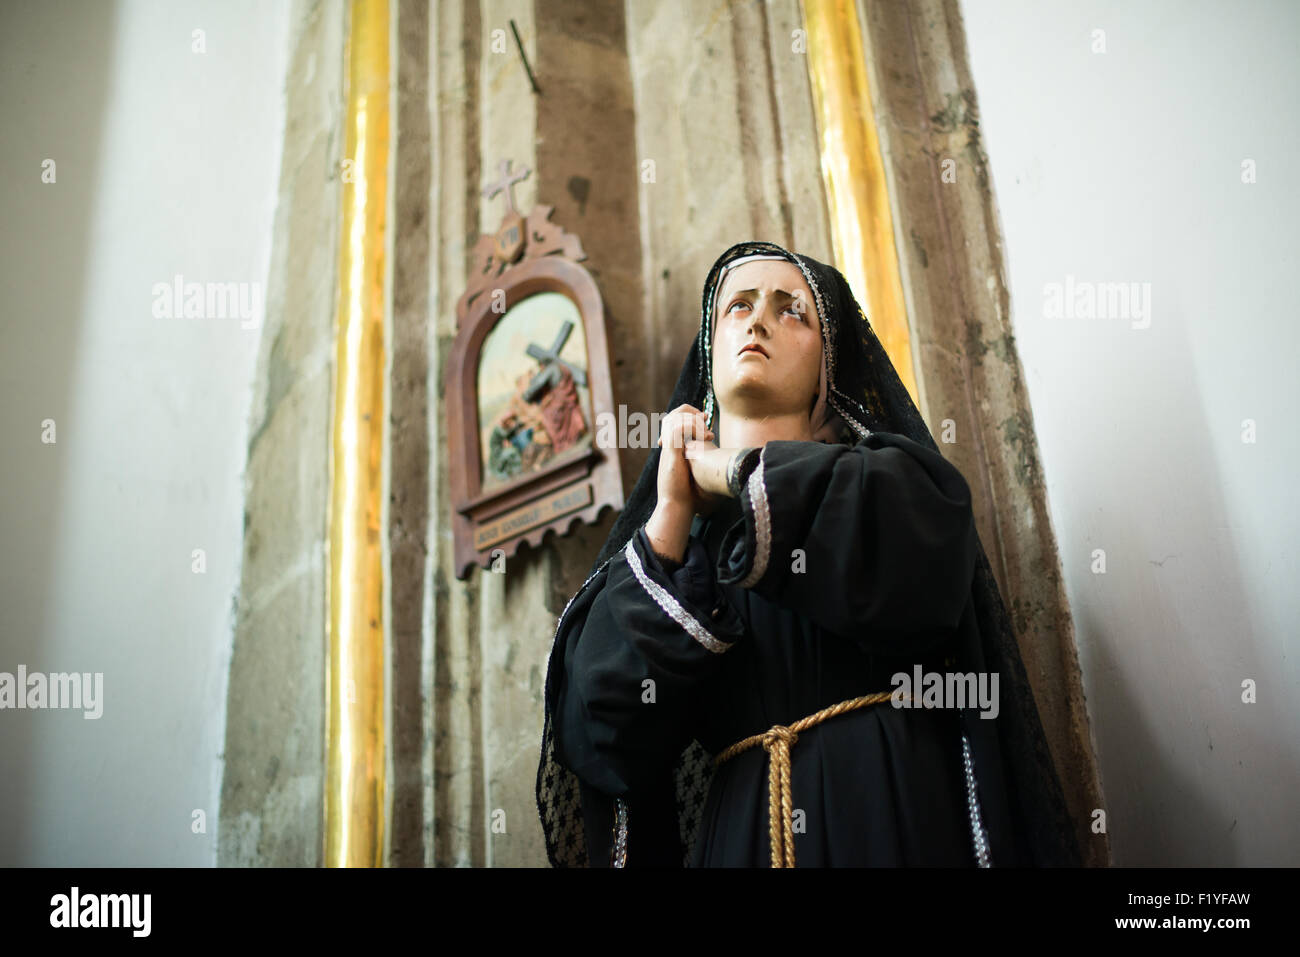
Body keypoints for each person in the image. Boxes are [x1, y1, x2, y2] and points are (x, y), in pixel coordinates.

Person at [535, 240, 1081, 867]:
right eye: (736, 307)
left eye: (791, 310)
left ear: (830, 365)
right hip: (740, 837)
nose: (758, 321)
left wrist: (727, 471)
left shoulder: (887, 479)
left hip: (886, 810)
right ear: (711, 356)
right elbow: (603, 733)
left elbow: (921, 577)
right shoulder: (673, 557)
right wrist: (672, 511)